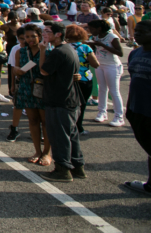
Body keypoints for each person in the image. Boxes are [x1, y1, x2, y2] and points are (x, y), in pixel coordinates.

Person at [39, 21, 84, 182]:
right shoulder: (69, 49)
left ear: (58, 34)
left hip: (59, 99)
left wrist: (42, 50)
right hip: (70, 98)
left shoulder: (58, 52)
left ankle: (62, 169)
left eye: (48, 31)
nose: (44, 34)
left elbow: (44, 70)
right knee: (71, 134)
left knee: (59, 136)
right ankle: (77, 166)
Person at [12, 24, 51, 166]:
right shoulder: (20, 52)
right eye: (27, 37)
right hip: (26, 88)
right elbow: (15, 69)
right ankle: (37, 151)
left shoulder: (47, 51)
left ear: (39, 36)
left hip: (43, 89)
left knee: (46, 122)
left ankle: (47, 152)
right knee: (33, 120)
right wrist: (17, 71)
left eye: (33, 36)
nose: (30, 39)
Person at [124, 20, 151, 196]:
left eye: (142, 31)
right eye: (136, 31)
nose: (137, 34)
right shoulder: (134, 53)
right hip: (137, 109)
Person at [87, 19, 125, 127]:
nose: (90, 31)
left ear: (99, 28)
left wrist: (101, 45)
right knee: (102, 89)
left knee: (114, 91)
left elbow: (120, 53)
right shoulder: (96, 36)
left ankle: (119, 117)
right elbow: (94, 49)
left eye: (92, 29)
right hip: (100, 65)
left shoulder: (112, 37)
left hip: (112, 66)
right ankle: (102, 113)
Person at [6, 27, 27, 142]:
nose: (25, 41)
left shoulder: (38, 49)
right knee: (18, 106)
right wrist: (12, 85)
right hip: (20, 82)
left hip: (35, 83)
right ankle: (14, 128)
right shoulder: (16, 49)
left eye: (28, 38)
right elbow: (13, 69)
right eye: (22, 38)